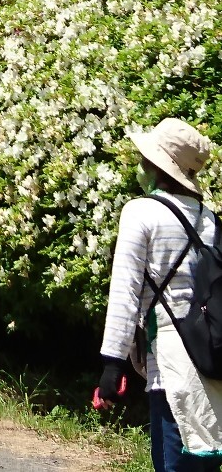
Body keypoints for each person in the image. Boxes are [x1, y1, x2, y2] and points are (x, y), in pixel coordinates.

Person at [98, 117, 222, 471]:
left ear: (155, 165)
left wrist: (112, 364)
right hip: (210, 356)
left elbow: (125, 292)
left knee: (172, 463)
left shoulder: (140, 212)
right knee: (204, 459)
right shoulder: (209, 219)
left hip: (170, 362)